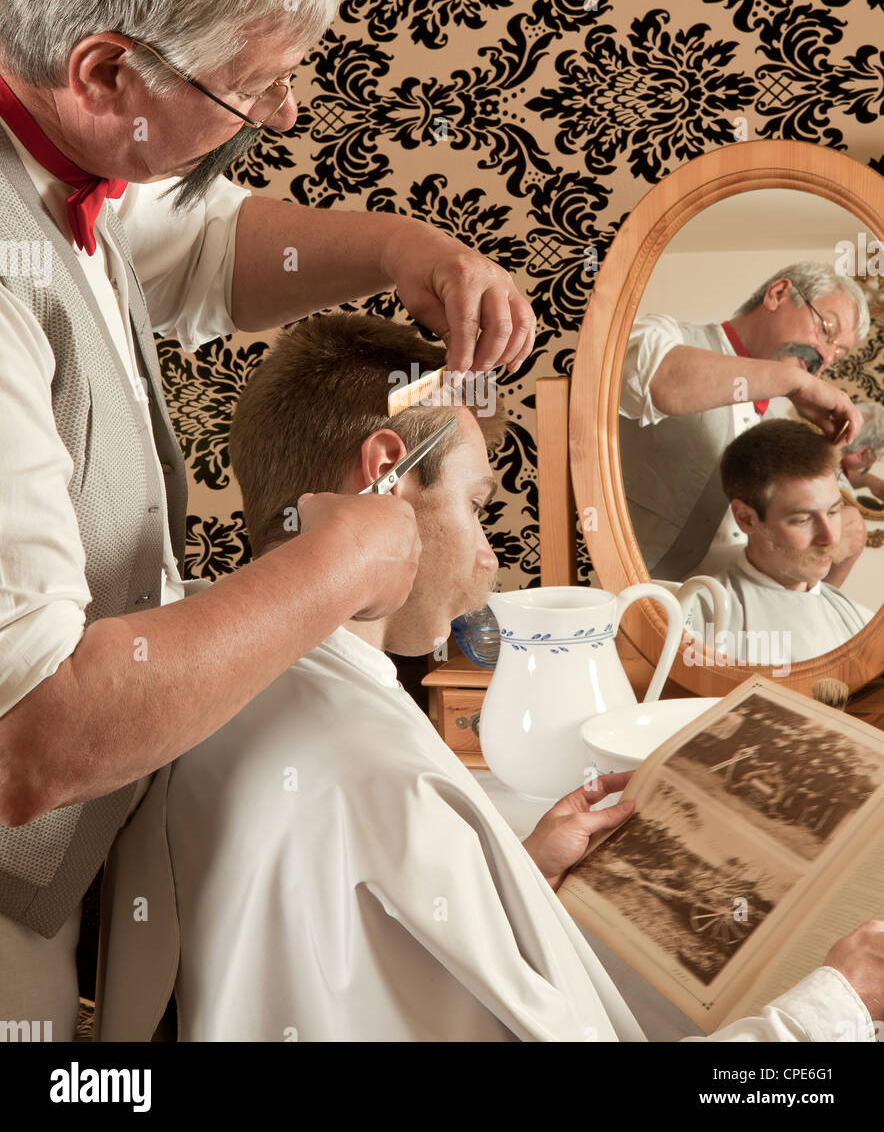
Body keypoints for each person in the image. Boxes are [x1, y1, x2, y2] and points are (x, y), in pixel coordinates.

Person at [0, 0, 535, 1039]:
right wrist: (333, 563)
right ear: (104, 70)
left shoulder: (56, 152)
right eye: (252, 87)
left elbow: (201, 244)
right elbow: (32, 735)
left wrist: (413, 247)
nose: (285, 114)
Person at [94, 314, 882, 1043]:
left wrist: (513, 868)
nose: (489, 555)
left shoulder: (192, 680)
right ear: (388, 478)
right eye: (476, 505)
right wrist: (834, 1010)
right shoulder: (383, 776)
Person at [618, 262, 868, 582]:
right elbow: (654, 380)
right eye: (827, 330)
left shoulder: (774, 423)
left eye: (839, 354)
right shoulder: (663, 336)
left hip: (717, 618)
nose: (827, 356)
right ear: (778, 294)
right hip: (620, 596)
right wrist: (795, 381)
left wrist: (840, 552)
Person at [681, 420, 873, 666]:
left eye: (834, 511)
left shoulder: (861, 622)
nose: (831, 538)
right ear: (746, 518)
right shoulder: (701, 619)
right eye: (802, 519)